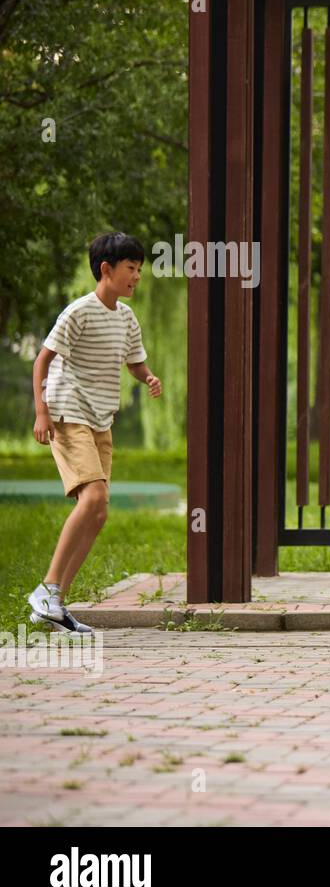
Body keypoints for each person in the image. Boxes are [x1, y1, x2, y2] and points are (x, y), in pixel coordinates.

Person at [30, 232, 162, 634]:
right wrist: (42, 412)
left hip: (101, 419)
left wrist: (148, 377)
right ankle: (46, 589)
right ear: (106, 269)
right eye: (131, 269)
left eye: (140, 270)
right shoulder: (79, 311)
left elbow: (133, 361)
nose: (137, 277)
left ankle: (54, 604)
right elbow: (42, 361)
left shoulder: (125, 316)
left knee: (99, 511)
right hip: (69, 412)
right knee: (95, 496)